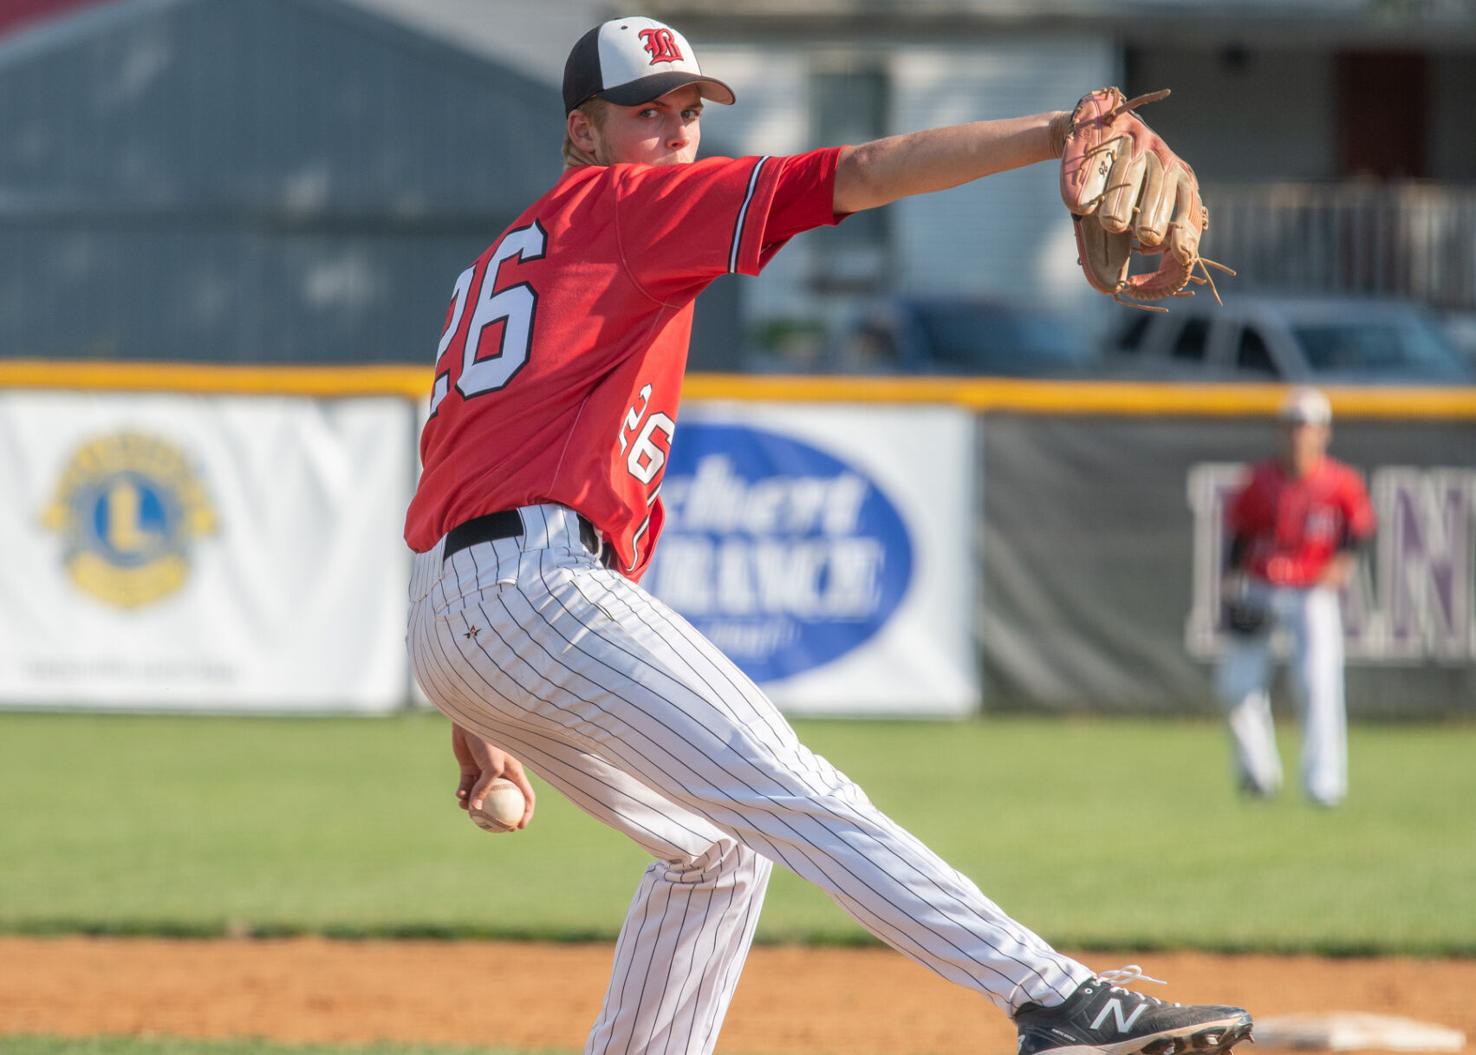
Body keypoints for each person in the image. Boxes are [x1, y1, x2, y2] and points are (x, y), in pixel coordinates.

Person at [405, 15, 1253, 1055]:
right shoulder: (627, 206)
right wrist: (1053, 133)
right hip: (533, 584)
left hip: (472, 601)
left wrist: (469, 685)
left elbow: (451, 461)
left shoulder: (509, 262)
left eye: (686, 111)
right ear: (583, 132)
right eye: (643, 114)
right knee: (790, 786)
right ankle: (1056, 999)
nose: (674, 133)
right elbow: (855, 170)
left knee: (718, 846)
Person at [1216, 388, 1376, 807]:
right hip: (1262, 585)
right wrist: (1230, 584)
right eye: (1290, 425)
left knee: (1318, 685)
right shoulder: (1260, 479)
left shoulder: (1341, 481)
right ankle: (1258, 774)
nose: (1296, 435)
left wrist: (1340, 565)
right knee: (1236, 687)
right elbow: (1239, 535)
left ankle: (1324, 783)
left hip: (1311, 592)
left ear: (1324, 432)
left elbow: (1357, 531)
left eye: (1305, 426)